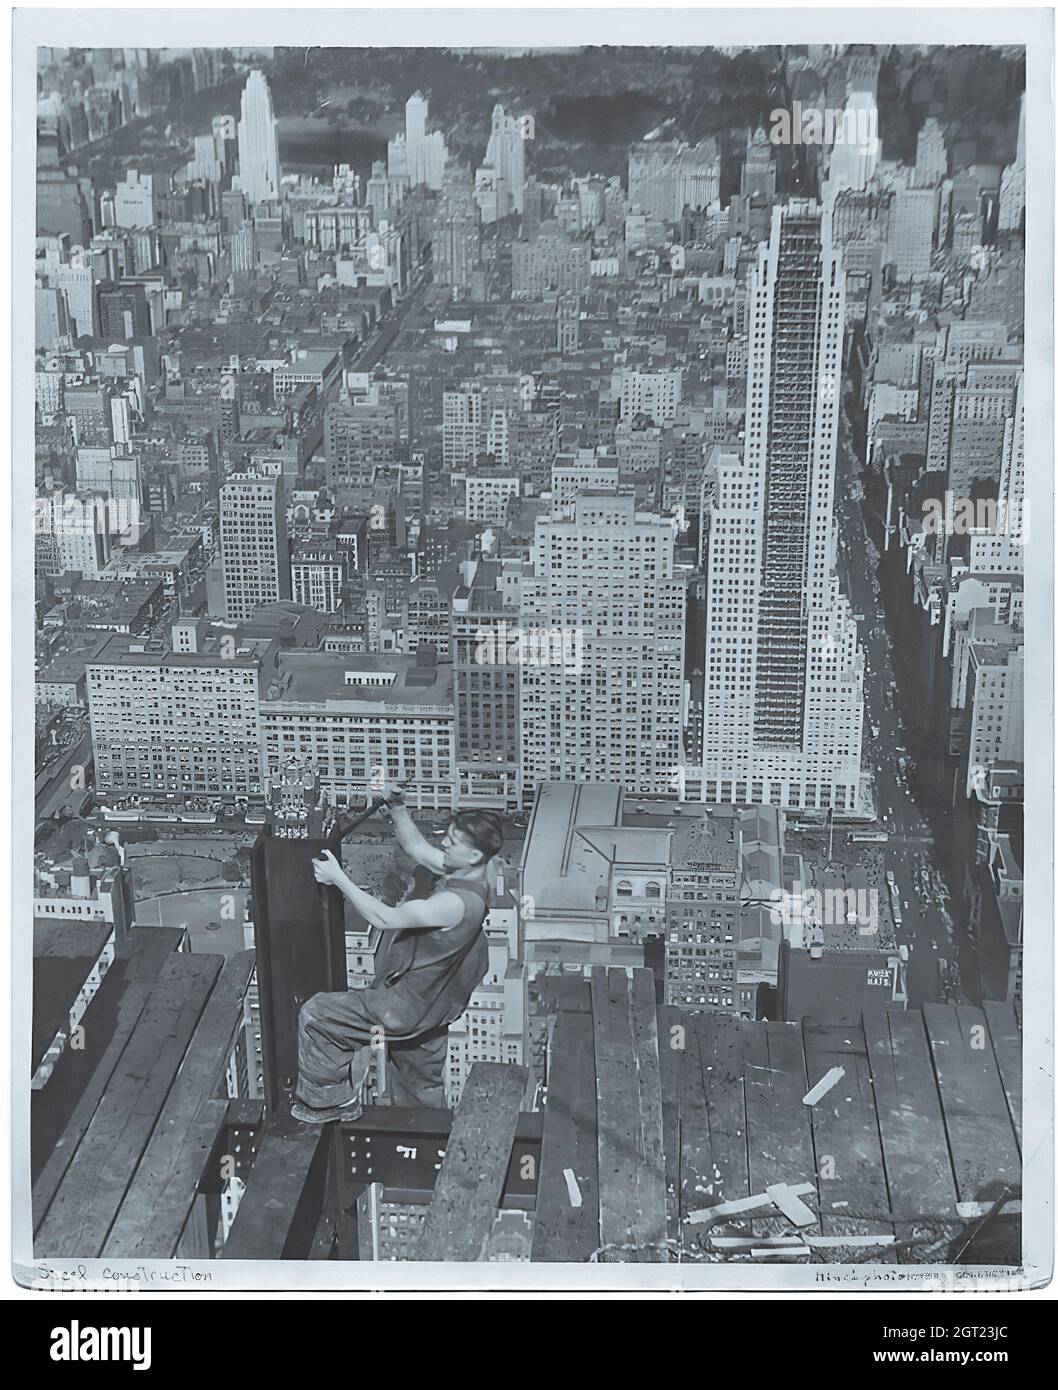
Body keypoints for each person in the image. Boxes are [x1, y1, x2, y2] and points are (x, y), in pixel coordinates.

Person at [291, 786, 504, 1124]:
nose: (444, 844)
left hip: (405, 1004)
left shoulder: (455, 904)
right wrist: (399, 808)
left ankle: (328, 1102)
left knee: (318, 1017)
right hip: (435, 1008)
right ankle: (425, 1142)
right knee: (418, 1085)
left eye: (452, 841)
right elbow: (417, 848)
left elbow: (385, 918)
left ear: (474, 855)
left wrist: (338, 880)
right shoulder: (480, 872)